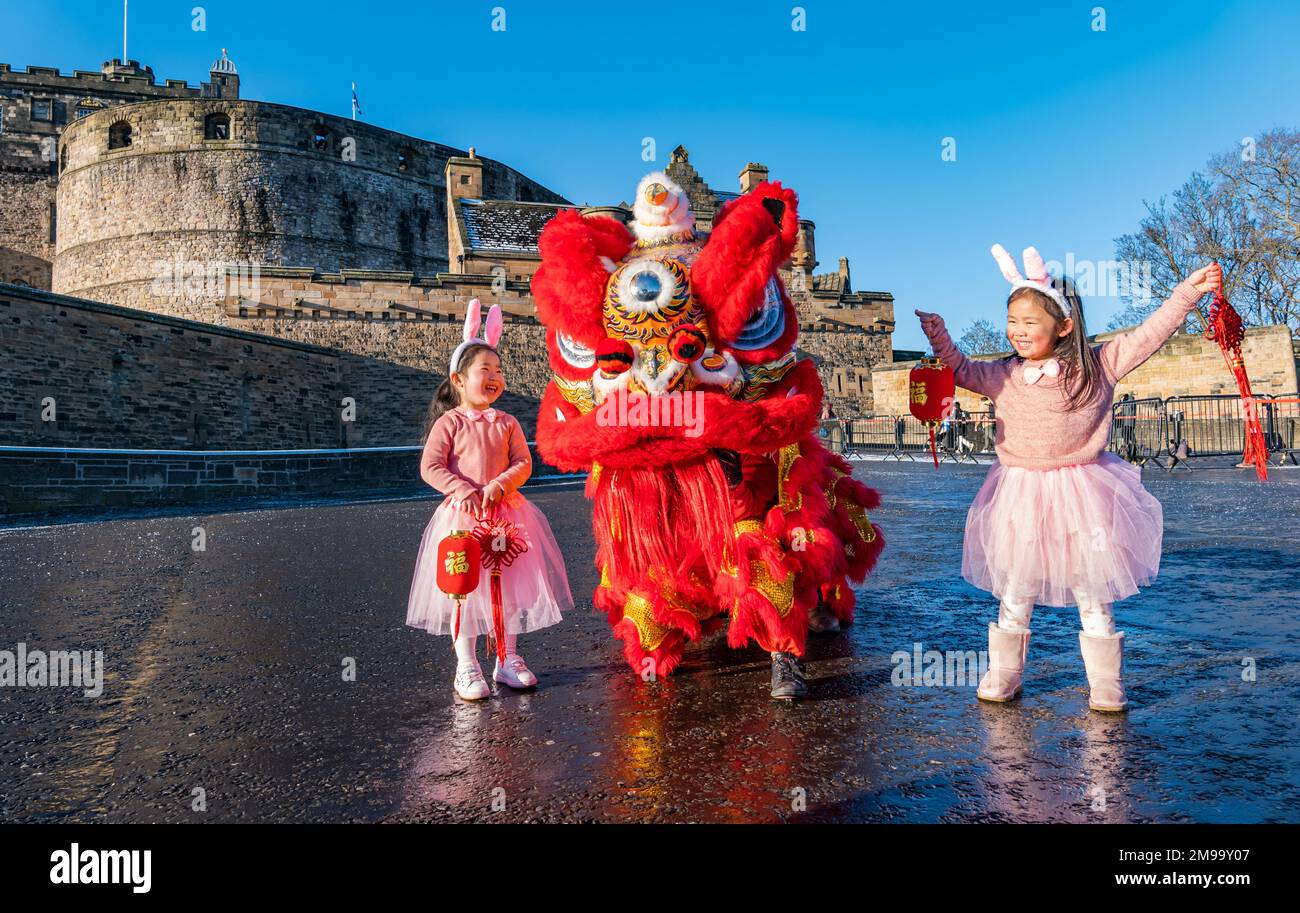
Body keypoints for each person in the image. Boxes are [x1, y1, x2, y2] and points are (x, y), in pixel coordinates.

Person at [916, 245, 1221, 712]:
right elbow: (958, 369)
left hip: (1084, 492)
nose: (1017, 331)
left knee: (1092, 589)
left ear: (1064, 326)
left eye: (1028, 322)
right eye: (1012, 321)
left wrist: (1186, 294)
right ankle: (1004, 673)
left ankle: (1105, 682)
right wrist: (939, 337)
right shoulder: (1001, 375)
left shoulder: (1098, 365)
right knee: (1016, 587)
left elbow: (1149, 334)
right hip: (1020, 491)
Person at [406, 299, 574, 701]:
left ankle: (508, 657)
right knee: (464, 587)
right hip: (462, 517)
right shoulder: (450, 423)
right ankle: (466, 663)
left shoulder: (508, 422)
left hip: (507, 515)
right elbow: (431, 467)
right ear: (459, 380)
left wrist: (500, 484)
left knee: (508, 587)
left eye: (499, 371)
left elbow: (523, 463)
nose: (495, 377)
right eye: (486, 370)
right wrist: (464, 489)